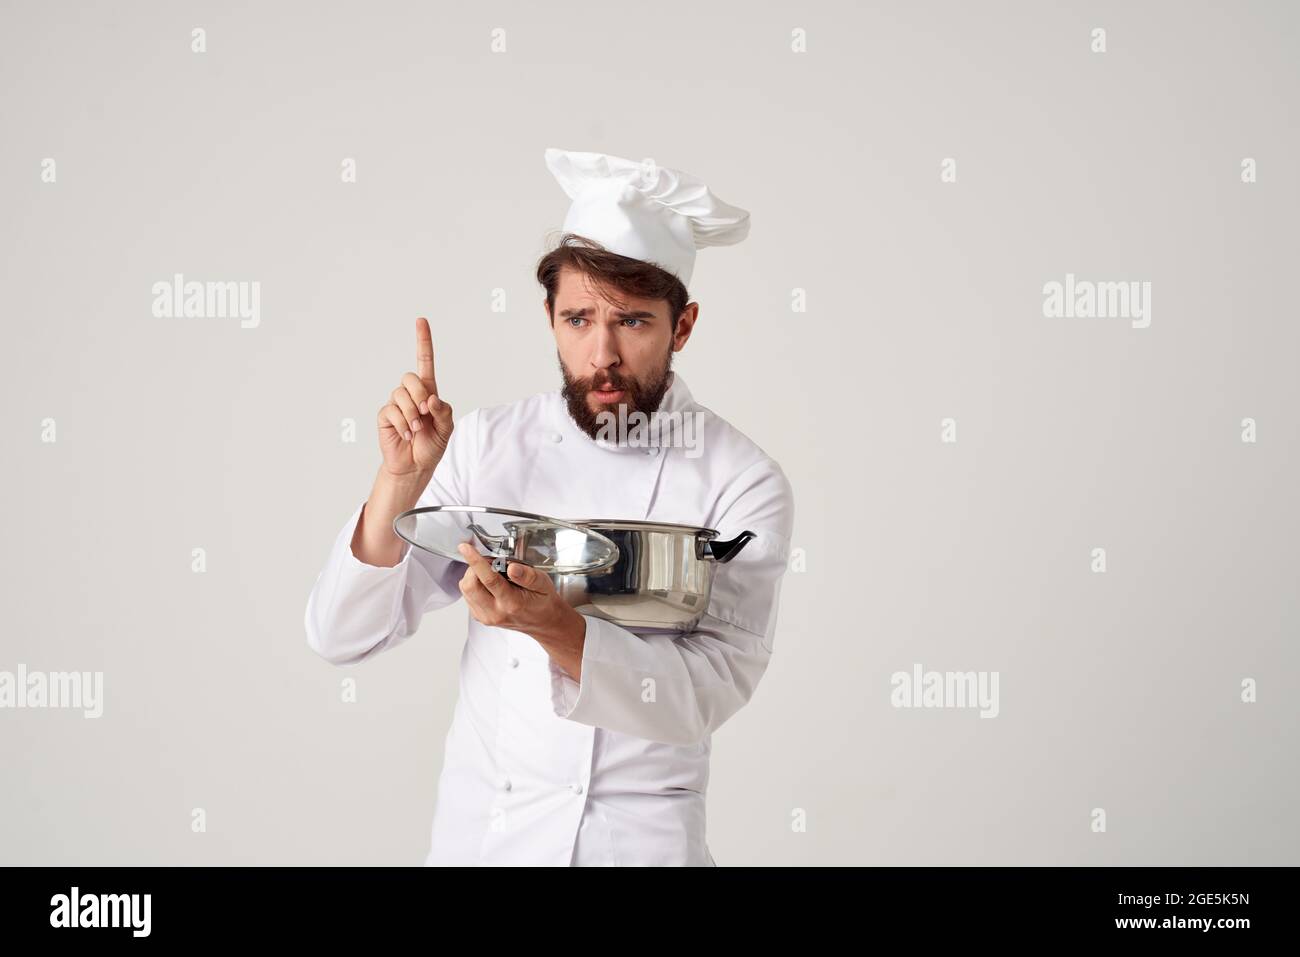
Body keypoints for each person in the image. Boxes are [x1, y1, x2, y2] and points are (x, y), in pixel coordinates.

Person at [304, 148, 796, 866]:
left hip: (642, 845)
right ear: (548, 317)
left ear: (682, 326)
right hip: (488, 837)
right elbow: (339, 634)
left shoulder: (742, 479)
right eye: (577, 318)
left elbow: (709, 690)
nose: (601, 353)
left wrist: (560, 630)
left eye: (632, 322)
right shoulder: (482, 447)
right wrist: (399, 484)